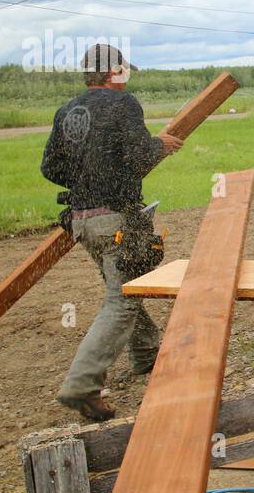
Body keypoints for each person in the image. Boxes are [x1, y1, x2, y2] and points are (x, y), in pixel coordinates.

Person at [41, 44, 183, 420]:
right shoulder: (124, 105)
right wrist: (161, 145)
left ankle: (148, 354)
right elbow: (139, 157)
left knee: (124, 287)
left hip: (81, 220)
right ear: (113, 73)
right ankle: (81, 385)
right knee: (121, 301)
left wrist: (88, 174)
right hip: (115, 219)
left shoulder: (68, 110)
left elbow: (51, 169)